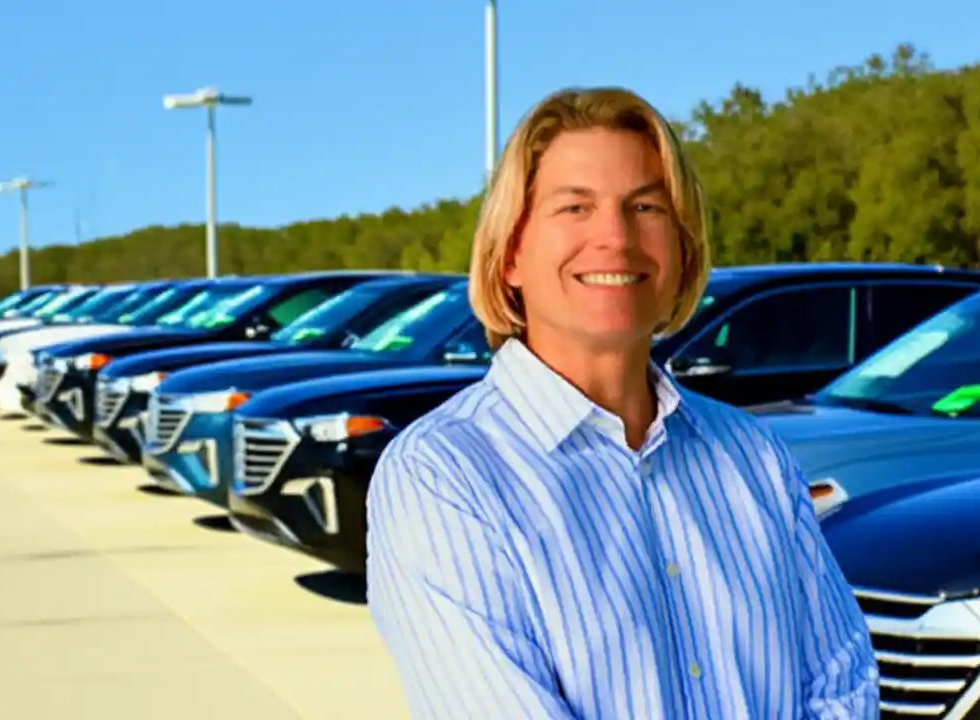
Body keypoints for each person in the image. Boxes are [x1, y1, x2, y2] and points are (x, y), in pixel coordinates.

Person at [365, 86, 879, 719]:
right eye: (575, 207)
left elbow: (843, 683)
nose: (615, 237)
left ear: (682, 249)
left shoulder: (753, 456)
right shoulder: (443, 476)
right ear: (510, 256)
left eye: (645, 206)